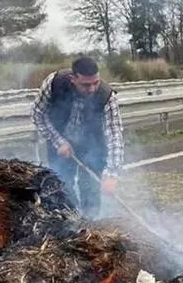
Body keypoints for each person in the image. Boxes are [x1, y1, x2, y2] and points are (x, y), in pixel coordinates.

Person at [31, 56, 124, 217]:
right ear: (73, 79)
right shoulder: (54, 83)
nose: (92, 89)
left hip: (93, 146)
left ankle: (90, 224)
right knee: (61, 186)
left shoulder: (106, 96)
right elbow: (37, 114)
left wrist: (112, 174)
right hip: (59, 142)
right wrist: (58, 141)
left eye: (96, 83)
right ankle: (68, 224)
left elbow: (114, 135)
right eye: (86, 85)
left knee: (90, 188)